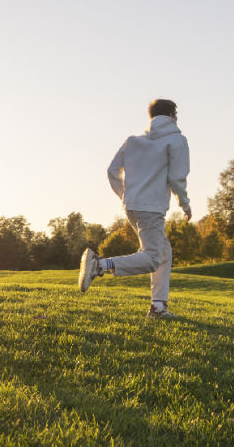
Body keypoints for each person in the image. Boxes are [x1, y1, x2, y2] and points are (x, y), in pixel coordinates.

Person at [79, 98, 191, 319]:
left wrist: (126, 195)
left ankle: (158, 307)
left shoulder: (132, 141)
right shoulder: (177, 140)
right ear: (171, 115)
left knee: (163, 252)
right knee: (151, 257)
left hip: (131, 207)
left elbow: (112, 171)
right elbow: (177, 177)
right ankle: (100, 265)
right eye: (176, 114)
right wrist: (185, 204)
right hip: (151, 208)